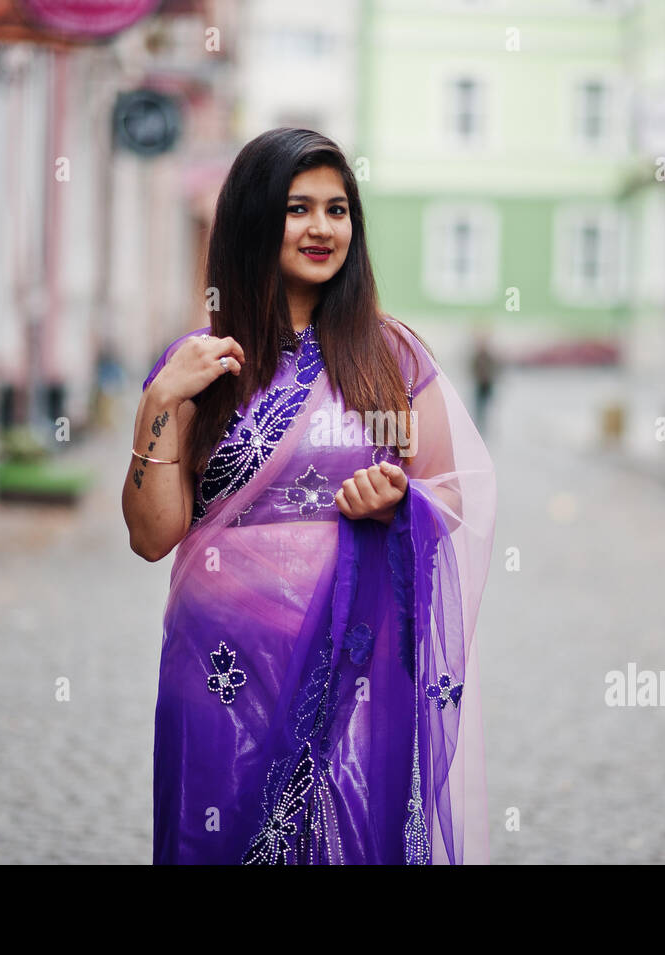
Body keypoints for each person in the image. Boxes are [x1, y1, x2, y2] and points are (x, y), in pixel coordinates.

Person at [121, 128, 496, 865]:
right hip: (216, 667)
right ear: (256, 218)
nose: (323, 227)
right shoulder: (200, 364)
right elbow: (152, 534)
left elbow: (453, 495)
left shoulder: (390, 358)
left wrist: (397, 503)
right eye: (298, 208)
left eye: (337, 208)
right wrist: (161, 399)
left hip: (352, 671)